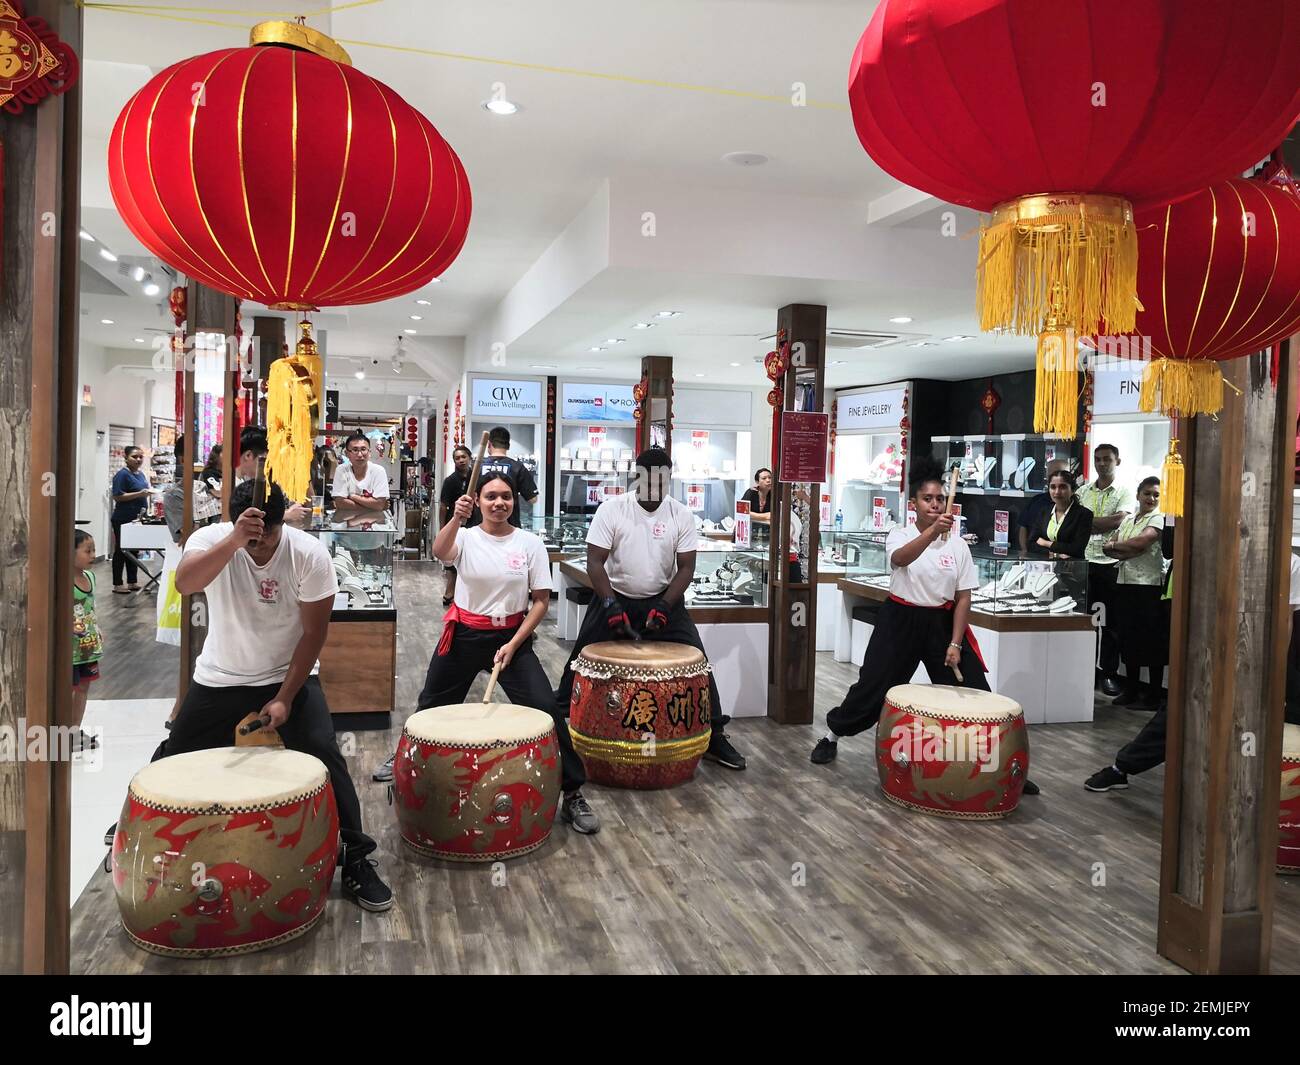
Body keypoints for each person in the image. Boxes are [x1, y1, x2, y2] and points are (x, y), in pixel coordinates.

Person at [157, 480, 393, 911]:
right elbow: (186, 583)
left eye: (269, 534)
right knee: (178, 750)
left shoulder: (307, 553)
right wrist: (233, 541)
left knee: (324, 750)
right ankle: (144, 831)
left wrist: (286, 696)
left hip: (289, 674)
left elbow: (314, 633)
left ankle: (357, 855)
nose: (261, 545)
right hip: (221, 675)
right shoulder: (212, 539)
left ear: (283, 521)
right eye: (252, 535)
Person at [374, 472, 601, 832]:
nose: (499, 503)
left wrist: (514, 644)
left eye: (506, 496)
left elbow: (540, 601)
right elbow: (439, 552)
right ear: (477, 500)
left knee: (546, 708)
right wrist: (455, 518)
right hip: (463, 634)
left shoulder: (529, 544)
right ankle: (405, 756)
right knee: (430, 702)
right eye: (491, 496)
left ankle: (572, 792)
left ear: (514, 501)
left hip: (512, 637)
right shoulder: (464, 537)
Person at [810, 457, 1039, 793]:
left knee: (973, 691)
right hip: (899, 620)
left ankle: (1001, 764)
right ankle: (832, 735)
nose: (934, 504)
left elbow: (963, 598)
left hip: (942, 624)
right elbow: (900, 560)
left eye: (939, 499)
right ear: (914, 504)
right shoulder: (899, 534)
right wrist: (933, 531)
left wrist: (955, 643)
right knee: (872, 687)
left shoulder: (959, 546)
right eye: (927, 499)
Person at [553, 447, 747, 771]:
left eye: (662, 482)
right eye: (648, 481)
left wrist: (665, 606)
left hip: (663, 598)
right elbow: (595, 562)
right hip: (614, 595)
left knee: (698, 661)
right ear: (637, 478)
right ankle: (558, 728)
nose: (655, 489)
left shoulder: (681, 514)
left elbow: (686, 568)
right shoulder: (612, 510)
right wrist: (610, 604)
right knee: (579, 661)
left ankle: (715, 734)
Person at [1103, 476, 1165, 711]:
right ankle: (1131, 689)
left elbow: (1141, 543)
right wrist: (1122, 549)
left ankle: (1154, 694)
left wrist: (1120, 548)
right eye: (1147, 493)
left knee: (1151, 641)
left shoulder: (1157, 519)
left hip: (1148, 586)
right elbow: (1109, 545)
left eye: (1156, 495)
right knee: (1128, 638)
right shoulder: (1128, 519)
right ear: (1138, 495)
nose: (1151, 498)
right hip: (1125, 583)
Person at [1077, 444, 1132, 696]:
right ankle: (1086, 672)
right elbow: (1074, 522)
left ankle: (1109, 674)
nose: (1101, 463)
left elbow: (1120, 520)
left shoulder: (1124, 491)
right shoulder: (1083, 491)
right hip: (1083, 565)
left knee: (1110, 625)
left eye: (1107, 459)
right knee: (1085, 623)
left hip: (1110, 566)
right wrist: (1095, 524)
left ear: (1117, 461)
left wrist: (1088, 523)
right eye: (1097, 459)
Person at [467, 427, 539, 529]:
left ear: (489, 444)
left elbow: (468, 495)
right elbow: (533, 499)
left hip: (480, 525)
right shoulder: (517, 467)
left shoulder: (476, 466)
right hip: (509, 525)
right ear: (508, 446)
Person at [72, 530, 103, 753]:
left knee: (84, 688)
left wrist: (97, 628)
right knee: (68, 690)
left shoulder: (90, 577)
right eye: (87, 550)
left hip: (89, 647)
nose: (93, 554)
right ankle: (60, 731)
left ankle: (74, 730)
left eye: (93, 550)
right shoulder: (62, 580)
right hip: (70, 649)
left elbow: (90, 609)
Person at [110, 445, 151, 593]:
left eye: (141, 457)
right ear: (126, 458)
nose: (138, 459)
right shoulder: (122, 475)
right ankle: (117, 583)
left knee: (133, 550)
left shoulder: (140, 474)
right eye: (135, 456)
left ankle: (132, 581)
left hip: (137, 518)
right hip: (123, 518)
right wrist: (140, 494)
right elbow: (118, 495)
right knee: (121, 550)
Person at [439, 445, 473, 606]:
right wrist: (442, 529)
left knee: (471, 560)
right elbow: (443, 506)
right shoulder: (450, 481)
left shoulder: (478, 477)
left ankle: (466, 595)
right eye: (457, 458)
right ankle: (449, 593)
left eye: (463, 457)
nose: (460, 460)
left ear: (469, 457)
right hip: (455, 525)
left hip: (475, 524)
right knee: (452, 560)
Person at [1017, 458, 1069, 554]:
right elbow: (1023, 526)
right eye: (1051, 475)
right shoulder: (1036, 501)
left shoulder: (1075, 505)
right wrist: (1024, 550)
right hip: (1035, 557)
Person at [332, 431, 390, 513]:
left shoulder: (378, 471)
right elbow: (340, 503)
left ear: (369, 452)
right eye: (355, 450)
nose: (360, 454)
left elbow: (379, 504)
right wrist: (372, 506)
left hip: (374, 523)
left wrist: (352, 496)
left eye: (363, 449)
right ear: (347, 453)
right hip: (347, 522)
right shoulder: (341, 470)